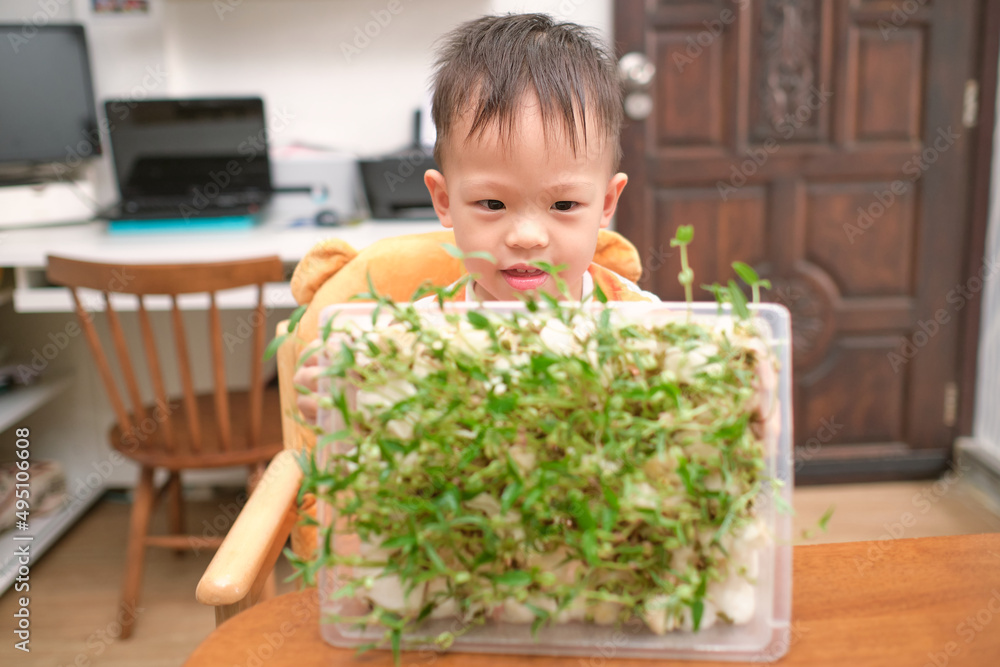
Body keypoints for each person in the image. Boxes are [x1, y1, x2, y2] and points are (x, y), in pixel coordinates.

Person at [296, 13, 658, 422]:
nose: (526, 237)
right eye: (492, 204)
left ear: (607, 204)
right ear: (444, 200)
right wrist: (344, 403)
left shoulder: (644, 329)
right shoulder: (412, 342)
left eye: (563, 206)